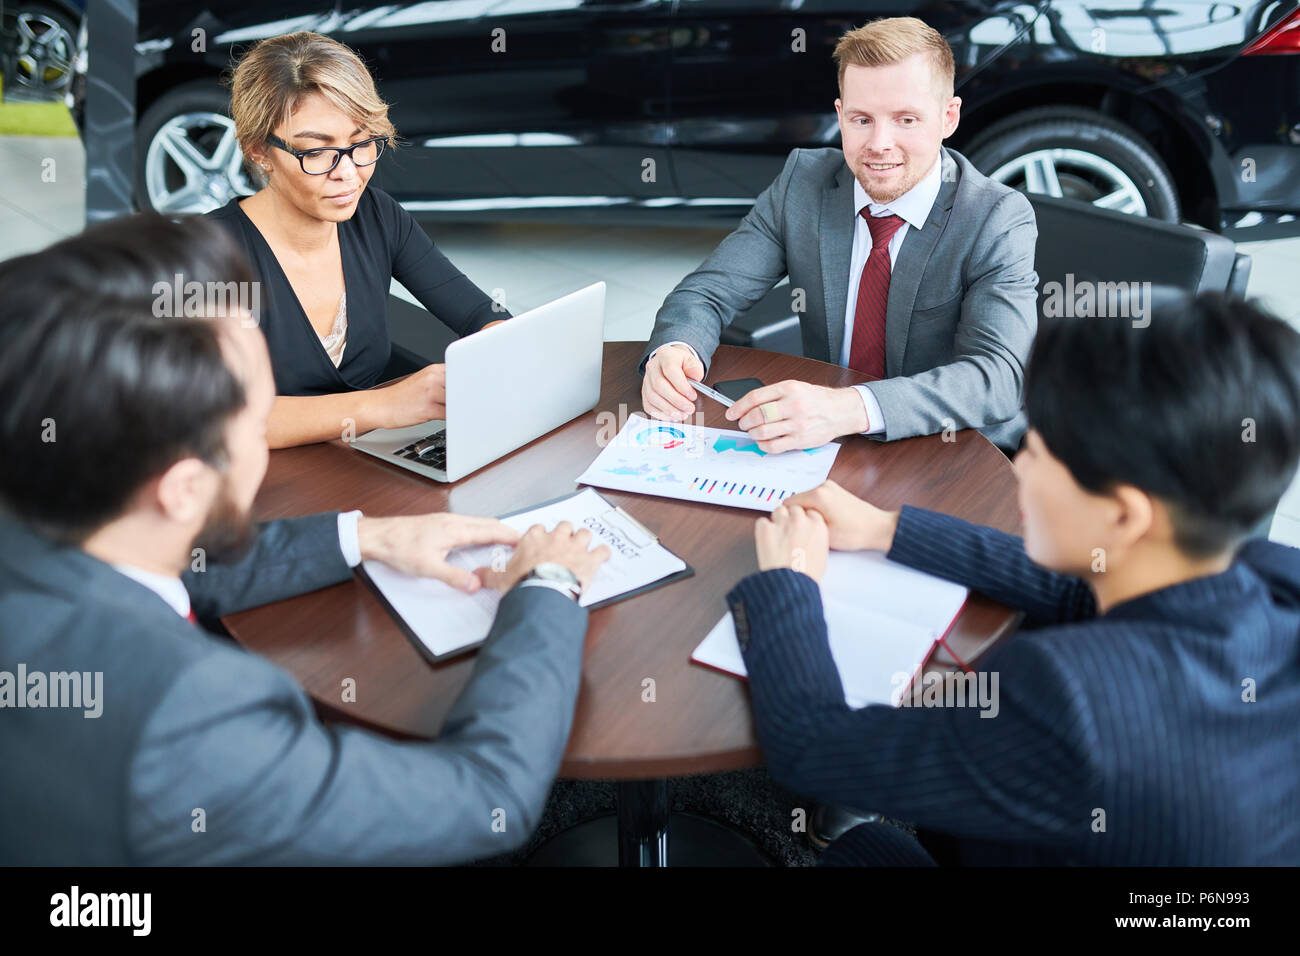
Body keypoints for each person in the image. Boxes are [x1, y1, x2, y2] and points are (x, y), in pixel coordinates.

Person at [0, 215, 610, 865]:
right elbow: (487, 802)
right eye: (257, 421)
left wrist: (364, 536)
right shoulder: (188, 715)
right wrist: (547, 585)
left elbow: (159, 564)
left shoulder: (43, 502)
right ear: (181, 490)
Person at [727, 292, 1300, 864]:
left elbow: (816, 750)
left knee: (865, 850)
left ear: (1124, 514)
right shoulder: (1273, 579)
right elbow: (1083, 592)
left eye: (1042, 448)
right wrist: (887, 530)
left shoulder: (1065, 699)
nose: (1020, 463)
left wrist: (789, 584)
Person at [641, 17, 1038, 454]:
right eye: (861, 119)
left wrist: (850, 408)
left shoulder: (996, 218)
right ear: (840, 115)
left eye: (906, 119)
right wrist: (677, 349)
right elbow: (709, 292)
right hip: (828, 442)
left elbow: (999, 377)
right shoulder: (803, 183)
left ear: (948, 118)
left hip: (954, 450)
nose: (879, 143)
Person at [206, 31, 507, 449]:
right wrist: (380, 405)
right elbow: (221, 420)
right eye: (317, 152)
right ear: (258, 151)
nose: (348, 173)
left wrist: (500, 351)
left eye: (361, 143)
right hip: (260, 484)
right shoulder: (207, 256)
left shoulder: (377, 216)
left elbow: (481, 314)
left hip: (361, 466)